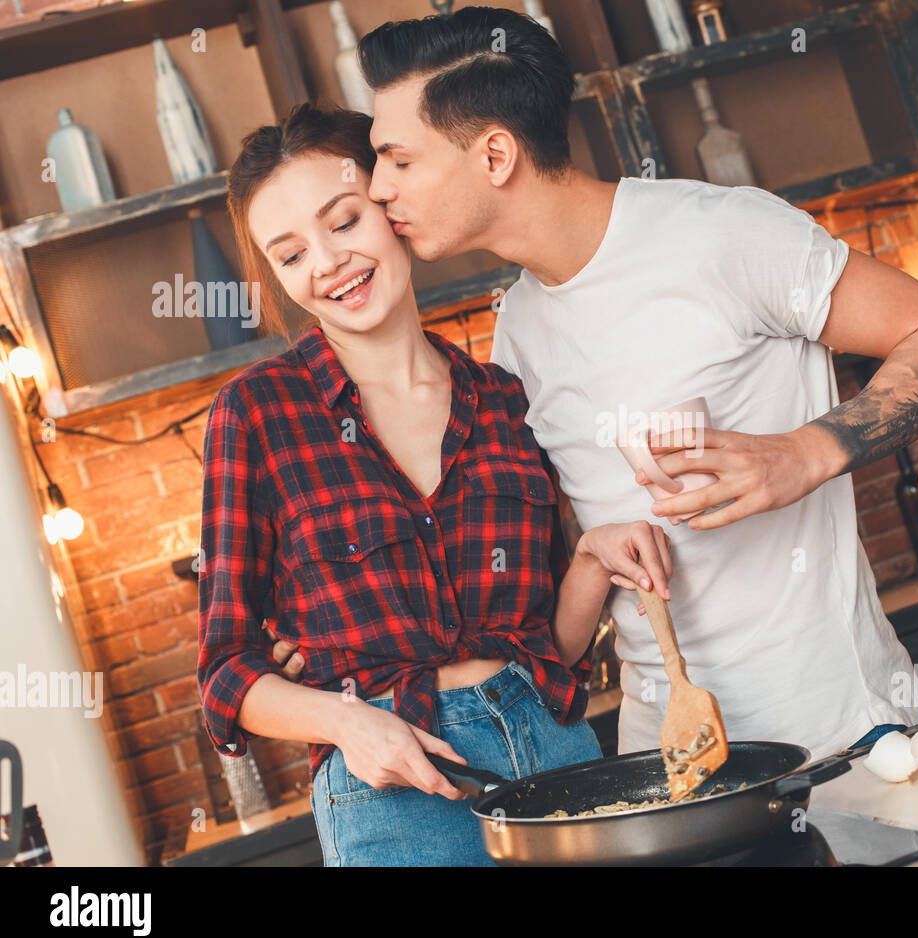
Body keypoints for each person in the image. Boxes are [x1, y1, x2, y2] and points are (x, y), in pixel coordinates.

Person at [346, 7, 918, 760]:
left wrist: (804, 452)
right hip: (667, 763)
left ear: (495, 155)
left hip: (843, 734)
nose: (378, 188)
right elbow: (549, 578)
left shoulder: (721, 235)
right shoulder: (517, 328)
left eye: (398, 159)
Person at [196, 104, 673, 866]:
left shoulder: (506, 396)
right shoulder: (256, 416)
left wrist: (592, 562)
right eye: (289, 256)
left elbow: (549, 648)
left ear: (391, 208)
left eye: (344, 221)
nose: (326, 264)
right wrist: (346, 724)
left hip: (558, 758)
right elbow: (226, 673)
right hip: (394, 791)